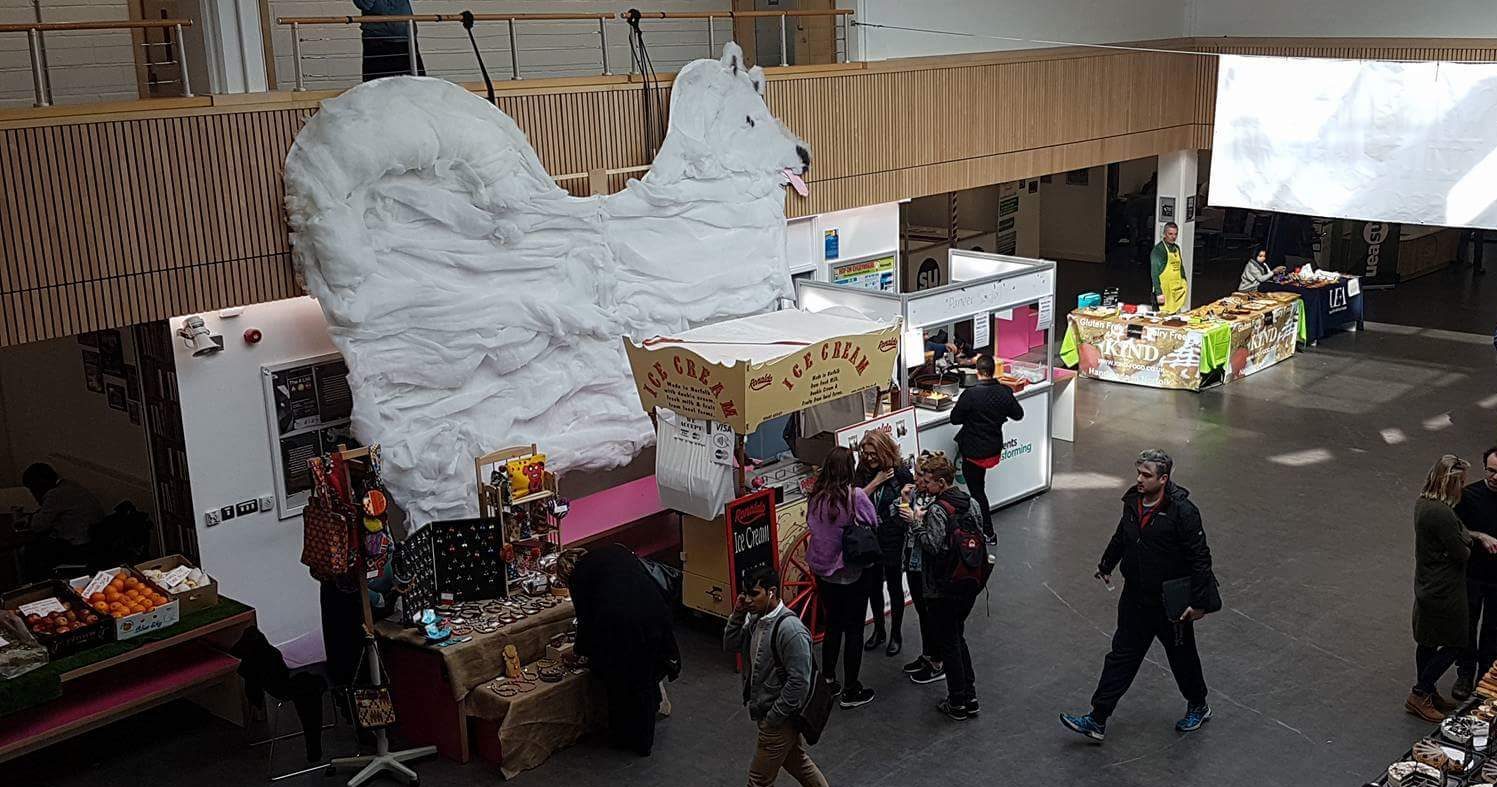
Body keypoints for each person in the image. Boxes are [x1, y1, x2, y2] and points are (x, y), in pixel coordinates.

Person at [1061, 449, 1218, 743]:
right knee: (1121, 657)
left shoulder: (1183, 512)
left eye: (1146, 475)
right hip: (1135, 598)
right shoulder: (1134, 501)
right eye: (1139, 473)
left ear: (1164, 478)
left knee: (1182, 658)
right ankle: (1097, 719)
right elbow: (1123, 535)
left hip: (1170, 605)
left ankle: (1198, 704)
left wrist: (1198, 603)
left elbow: (1200, 559)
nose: (1139, 479)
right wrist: (1107, 564)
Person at [556, 544, 681, 756]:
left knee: (619, 685)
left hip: (623, 630)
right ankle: (643, 741)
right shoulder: (614, 551)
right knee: (646, 680)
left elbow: (586, 620)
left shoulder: (579, 575)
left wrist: (578, 652)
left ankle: (624, 739)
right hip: (654, 613)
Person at [1408, 455, 1497, 721]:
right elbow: (1460, 550)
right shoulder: (1445, 511)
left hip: (1431, 583)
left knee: (1428, 640)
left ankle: (1429, 690)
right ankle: (1421, 690)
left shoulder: (1425, 504)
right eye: (1491, 471)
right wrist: (1472, 539)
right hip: (1447, 586)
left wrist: (1470, 535)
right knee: (1457, 640)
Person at [724, 568, 828, 787]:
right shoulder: (756, 619)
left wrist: (773, 718)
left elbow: (799, 682)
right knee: (798, 763)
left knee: (758, 780)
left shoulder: (790, 630)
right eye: (745, 594)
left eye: (754, 594)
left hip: (779, 720)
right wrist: (738, 614)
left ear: (771, 592)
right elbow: (730, 645)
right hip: (769, 713)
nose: (748, 600)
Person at [901, 452, 982, 720]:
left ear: (941, 482)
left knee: (949, 643)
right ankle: (969, 697)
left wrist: (915, 524)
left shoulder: (937, 509)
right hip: (969, 580)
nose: (924, 484)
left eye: (928, 480)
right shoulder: (971, 503)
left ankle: (957, 700)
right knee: (958, 637)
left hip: (941, 586)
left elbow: (932, 546)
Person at [805, 446, 877, 708]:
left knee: (833, 625)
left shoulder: (815, 497)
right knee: (855, 629)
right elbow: (872, 521)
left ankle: (828, 678)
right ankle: (851, 688)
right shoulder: (854, 496)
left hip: (823, 571)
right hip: (851, 570)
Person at [949, 354, 1024, 545]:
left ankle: (988, 532)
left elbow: (955, 418)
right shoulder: (1004, 392)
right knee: (978, 488)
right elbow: (1018, 414)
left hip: (974, 452)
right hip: (993, 448)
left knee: (977, 492)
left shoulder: (971, 395)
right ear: (992, 371)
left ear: (978, 372)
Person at [856, 430, 915, 656]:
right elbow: (856, 497)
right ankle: (879, 629)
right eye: (865, 453)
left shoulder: (900, 471)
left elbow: (912, 495)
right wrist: (877, 480)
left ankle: (896, 633)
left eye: (873, 454)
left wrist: (906, 497)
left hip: (892, 535)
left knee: (893, 585)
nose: (868, 458)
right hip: (870, 536)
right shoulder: (862, 471)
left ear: (883, 451)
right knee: (873, 586)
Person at [1456, 448, 1497, 699]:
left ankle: (1486, 677)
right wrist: (1480, 535)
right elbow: (1456, 530)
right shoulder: (1469, 496)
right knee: (1467, 627)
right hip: (1472, 575)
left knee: (1494, 629)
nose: (1495, 478)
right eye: (1491, 471)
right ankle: (1465, 674)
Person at [21, 463, 104, 580]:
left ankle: (34, 585)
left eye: (33, 489)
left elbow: (38, 526)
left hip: (79, 546)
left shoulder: (55, 495)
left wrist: (30, 517)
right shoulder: (70, 486)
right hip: (93, 541)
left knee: (32, 552)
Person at [354, 0, 426, 82]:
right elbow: (364, 4)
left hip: (406, 37)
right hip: (379, 40)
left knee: (417, 85)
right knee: (379, 86)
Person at [1149, 221, 1188, 314]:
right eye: (1170, 234)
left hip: (1176, 292)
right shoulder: (1158, 251)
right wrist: (1159, 293)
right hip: (1163, 293)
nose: (1173, 237)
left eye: (1175, 234)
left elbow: (1180, 267)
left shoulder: (1176, 248)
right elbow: (1154, 274)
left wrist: (1184, 281)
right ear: (1164, 234)